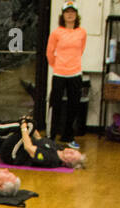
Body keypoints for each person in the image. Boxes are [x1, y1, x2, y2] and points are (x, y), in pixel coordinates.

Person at [0, 115, 88, 169]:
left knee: (28, 125)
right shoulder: (57, 148)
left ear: (68, 162)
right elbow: (39, 139)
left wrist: (24, 127)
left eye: (72, 155)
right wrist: (29, 125)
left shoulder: (52, 159)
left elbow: (29, 148)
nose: (70, 151)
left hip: (13, 155)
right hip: (15, 147)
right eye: (73, 151)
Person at [46, 2, 87, 148]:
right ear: (63, 15)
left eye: (72, 12)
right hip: (59, 74)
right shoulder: (56, 33)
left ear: (76, 15)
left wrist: (71, 65)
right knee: (55, 105)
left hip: (75, 74)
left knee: (73, 106)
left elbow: (80, 50)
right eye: (67, 12)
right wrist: (58, 65)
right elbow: (49, 52)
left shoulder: (81, 32)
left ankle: (68, 137)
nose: (70, 15)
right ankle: (50, 137)